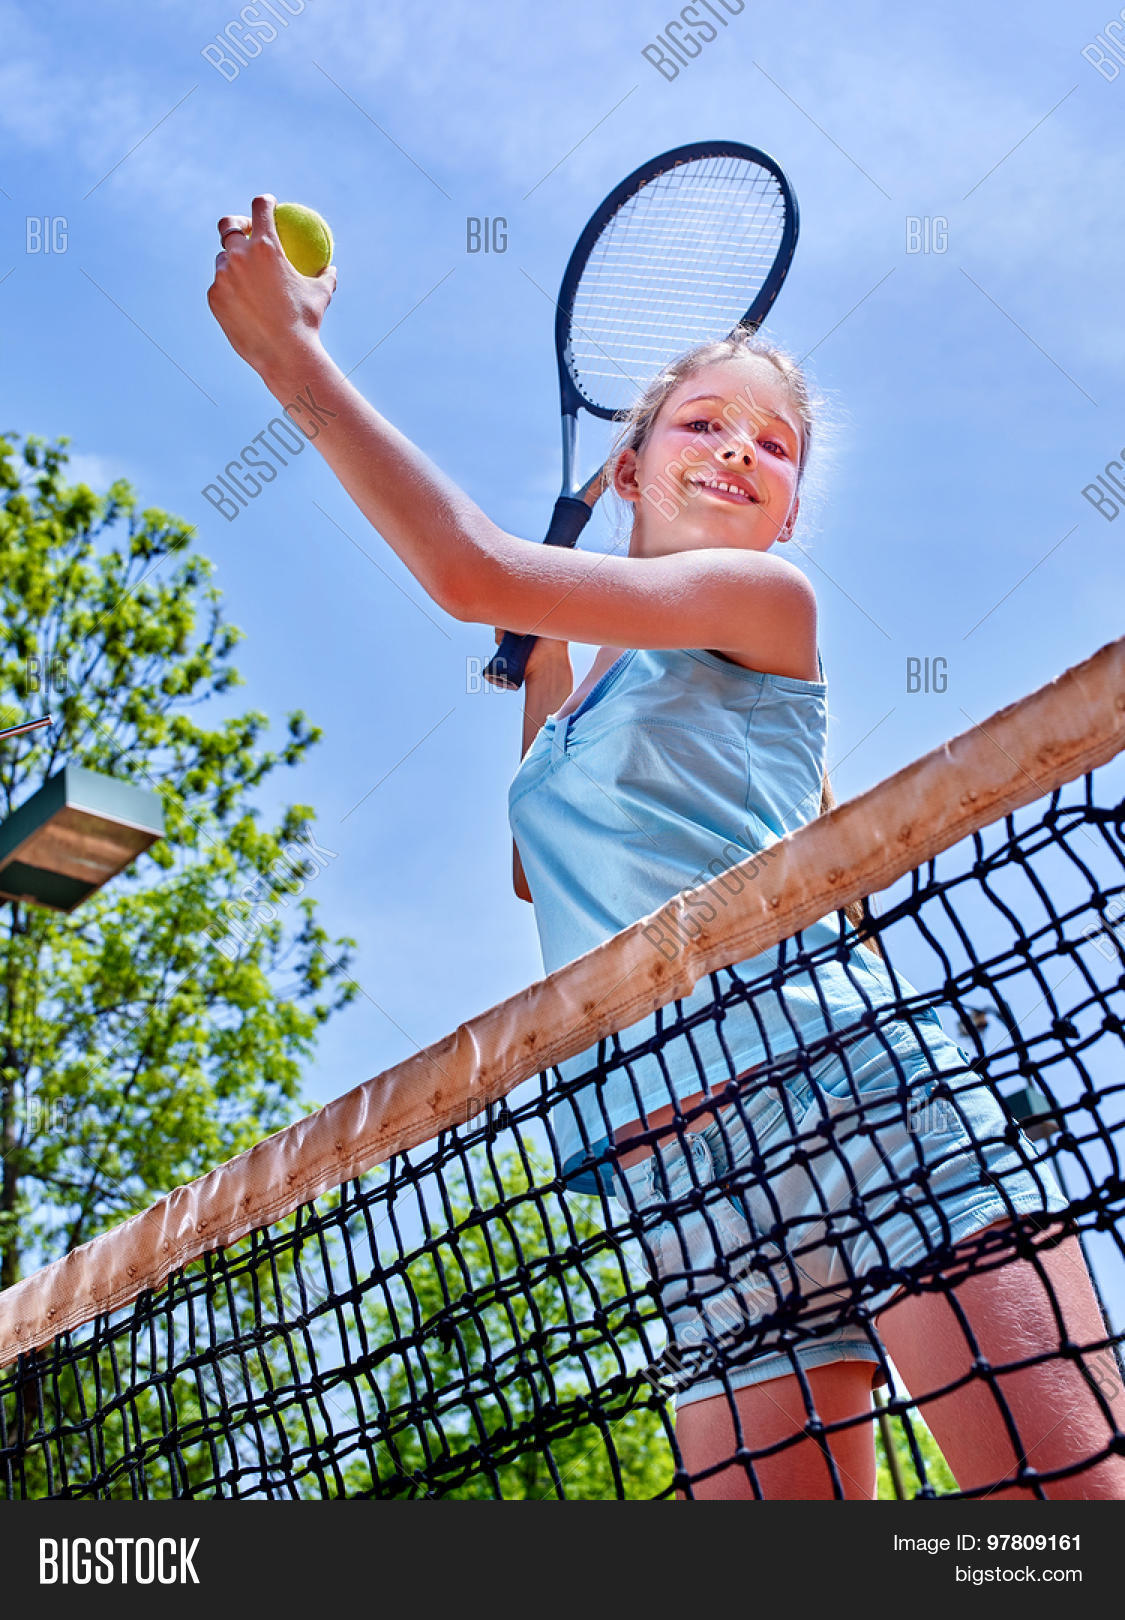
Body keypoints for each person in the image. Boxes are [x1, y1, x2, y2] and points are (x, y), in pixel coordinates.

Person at [208, 195, 1125, 1501]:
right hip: (679, 1183)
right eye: (703, 422)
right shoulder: (588, 710)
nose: (741, 449)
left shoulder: (763, 601)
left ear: (789, 511)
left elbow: (472, 572)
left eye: (776, 444)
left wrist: (289, 360)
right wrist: (544, 659)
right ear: (626, 470)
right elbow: (542, 847)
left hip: (852, 1093)